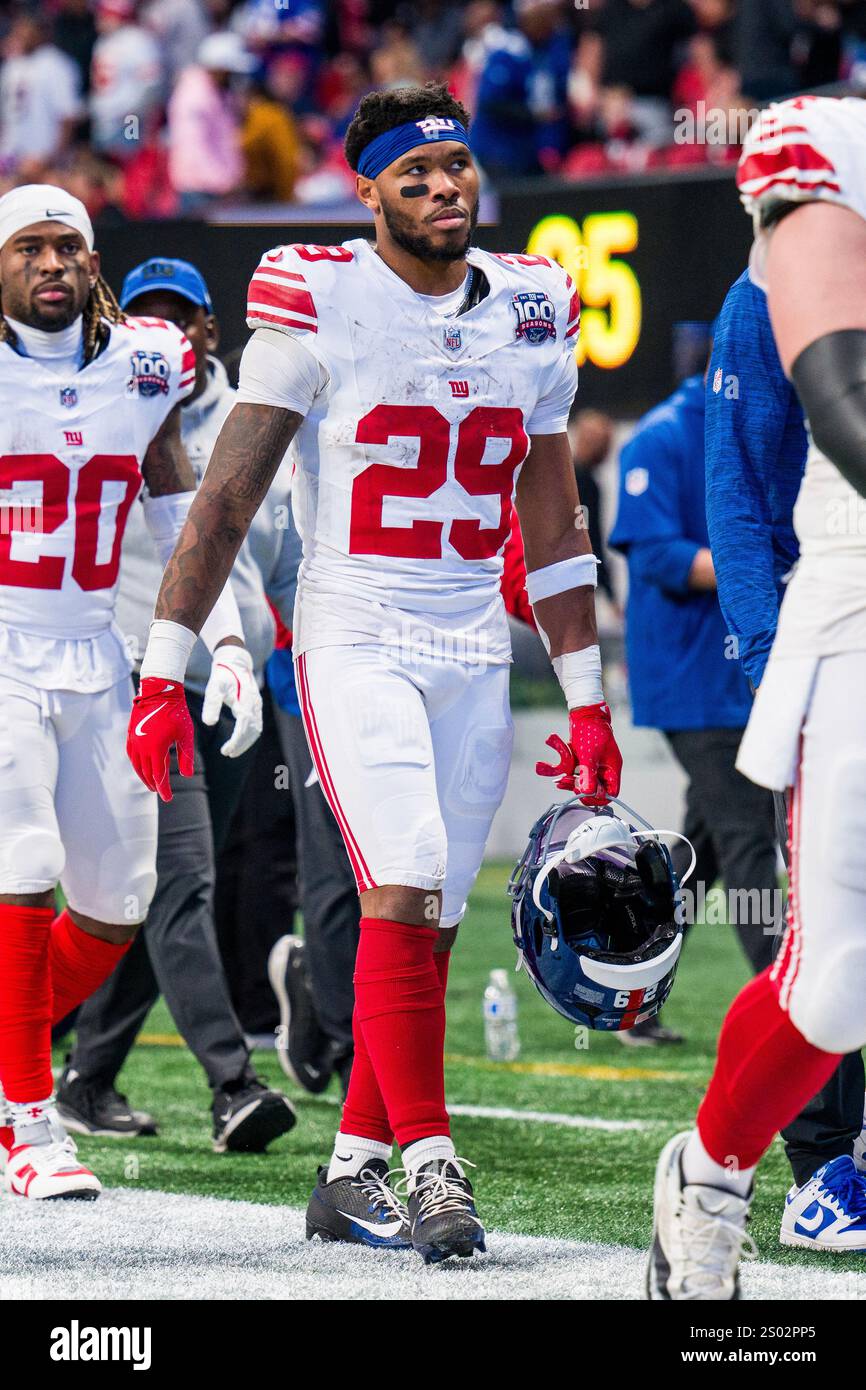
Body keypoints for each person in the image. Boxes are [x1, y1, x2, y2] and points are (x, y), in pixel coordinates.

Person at [126, 80, 622, 1265]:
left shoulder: (534, 304)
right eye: (414, 174)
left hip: (467, 646)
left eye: (452, 168)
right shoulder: (319, 293)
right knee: (397, 880)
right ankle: (432, 1165)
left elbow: (549, 528)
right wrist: (162, 668)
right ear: (368, 190)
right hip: (353, 628)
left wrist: (590, 698)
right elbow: (230, 499)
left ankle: (347, 1176)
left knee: (431, 920)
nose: (441, 188)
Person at [0, 185, 260, 1201]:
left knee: (115, 908)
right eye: (31, 247)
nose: (53, 263)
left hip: (97, 651)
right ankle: (28, 1123)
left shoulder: (146, 364)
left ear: (95, 261)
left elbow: (181, 512)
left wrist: (226, 636)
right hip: (4, 645)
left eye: (70, 247)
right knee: (22, 867)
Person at [648, 93, 866, 1300]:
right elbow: (741, 485)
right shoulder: (822, 162)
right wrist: (754, 649)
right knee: (833, 976)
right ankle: (721, 1172)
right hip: (850, 596)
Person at [56, 257, 295, 1154]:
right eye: (147, 315)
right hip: (137, 687)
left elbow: (282, 560)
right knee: (183, 881)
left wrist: (270, 654)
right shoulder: (107, 411)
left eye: (182, 316)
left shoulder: (266, 417)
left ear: (207, 328)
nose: (168, 333)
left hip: (233, 697)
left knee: (151, 895)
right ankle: (232, 1083)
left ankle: (80, 1074)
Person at [704, 266, 866, 1251]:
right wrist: (771, 661)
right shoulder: (773, 285)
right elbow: (738, 485)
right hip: (833, 646)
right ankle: (810, 1165)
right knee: (826, 948)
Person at [609, 367, 780, 1040]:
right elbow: (655, 557)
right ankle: (785, 1011)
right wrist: (752, 563)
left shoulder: (746, 432)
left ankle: (629, 991)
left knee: (699, 851)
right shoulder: (662, 435)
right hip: (692, 682)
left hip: (737, 684)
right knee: (749, 842)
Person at [167, 32, 255, 214]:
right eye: (229, 71)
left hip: (218, 189)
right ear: (218, 68)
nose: (233, 77)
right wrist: (224, 183)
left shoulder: (218, 93)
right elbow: (194, 147)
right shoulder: (194, 96)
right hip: (200, 191)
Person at [0, 15, 82, 175]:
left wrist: (53, 158)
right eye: (18, 30)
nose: (20, 34)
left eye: (26, 30)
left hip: (42, 156)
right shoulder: (12, 65)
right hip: (11, 154)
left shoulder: (57, 64)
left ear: (40, 32)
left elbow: (67, 117)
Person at [571, 408, 615, 608]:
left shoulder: (568, 476)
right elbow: (589, 536)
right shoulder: (585, 483)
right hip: (573, 574)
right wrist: (610, 590)